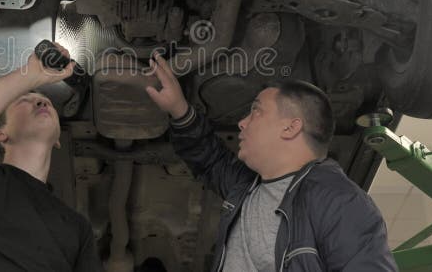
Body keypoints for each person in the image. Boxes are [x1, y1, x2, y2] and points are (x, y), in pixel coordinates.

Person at [145, 52, 397, 272]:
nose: (242, 123)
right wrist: (178, 108)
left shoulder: (339, 202)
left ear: (290, 127)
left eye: (256, 110)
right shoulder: (248, 188)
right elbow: (210, 160)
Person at [0, 42, 102, 271]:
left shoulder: (76, 227)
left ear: (58, 140)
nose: (41, 100)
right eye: (23, 101)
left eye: (46, 103)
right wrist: (31, 75)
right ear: (0, 134)